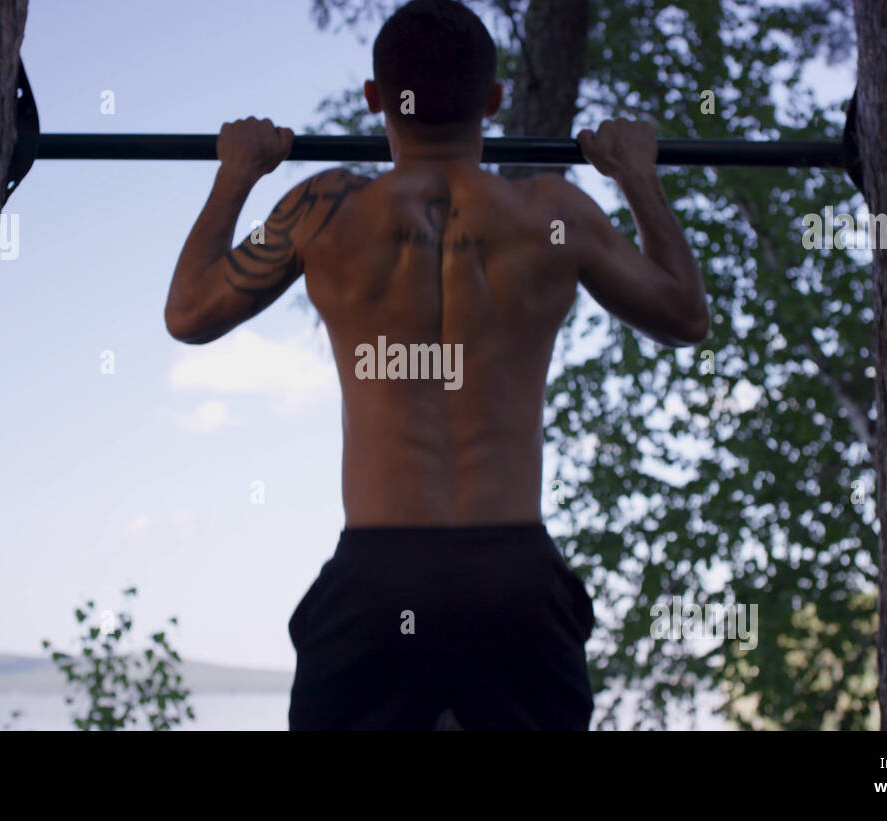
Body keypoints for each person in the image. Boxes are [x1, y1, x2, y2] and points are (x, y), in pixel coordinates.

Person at [164, 0, 708, 730]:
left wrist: (239, 171)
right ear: (492, 99)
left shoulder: (327, 208)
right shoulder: (555, 211)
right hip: (512, 582)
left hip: (380, 582)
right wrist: (636, 174)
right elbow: (684, 314)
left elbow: (189, 313)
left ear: (374, 99)